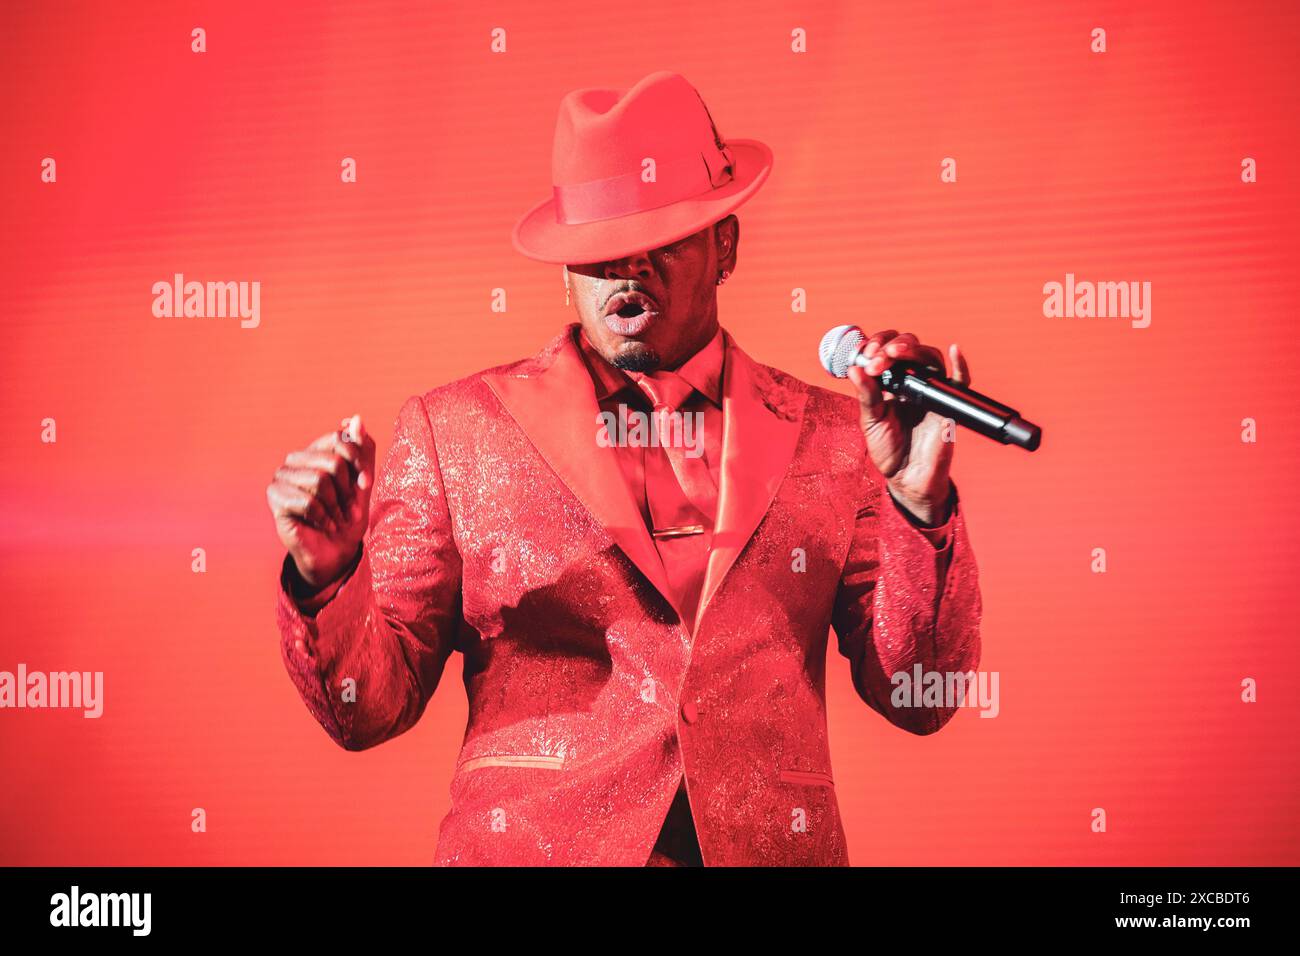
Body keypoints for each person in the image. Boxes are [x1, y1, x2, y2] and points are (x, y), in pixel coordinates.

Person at [266, 71, 982, 866]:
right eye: (600, 250)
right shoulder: (455, 431)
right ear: (567, 269)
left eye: (661, 240)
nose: (626, 270)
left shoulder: (836, 437)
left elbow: (925, 697)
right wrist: (328, 579)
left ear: (727, 246)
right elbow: (371, 708)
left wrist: (920, 506)